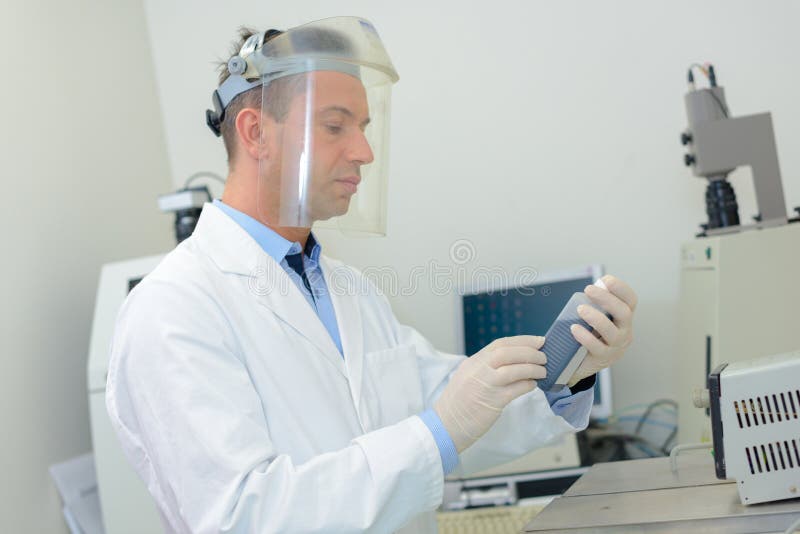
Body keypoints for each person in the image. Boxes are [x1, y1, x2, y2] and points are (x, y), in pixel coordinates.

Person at [106, 17, 637, 534]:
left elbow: (454, 412)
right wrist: (437, 431)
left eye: (361, 127)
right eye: (336, 126)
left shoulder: (347, 289)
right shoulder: (174, 308)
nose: (364, 152)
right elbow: (243, 516)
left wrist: (569, 371)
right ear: (255, 133)